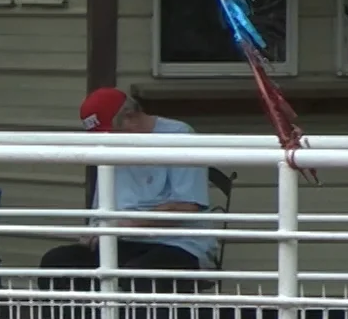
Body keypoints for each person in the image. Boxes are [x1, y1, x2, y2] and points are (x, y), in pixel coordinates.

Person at [42, 88, 218, 276]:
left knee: (139, 275)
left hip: (176, 243)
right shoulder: (110, 148)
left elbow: (186, 207)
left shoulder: (179, 136)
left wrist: (120, 226)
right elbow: (101, 215)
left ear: (130, 116)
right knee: (57, 263)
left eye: (111, 133)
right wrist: (93, 232)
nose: (106, 142)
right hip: (120, 242)